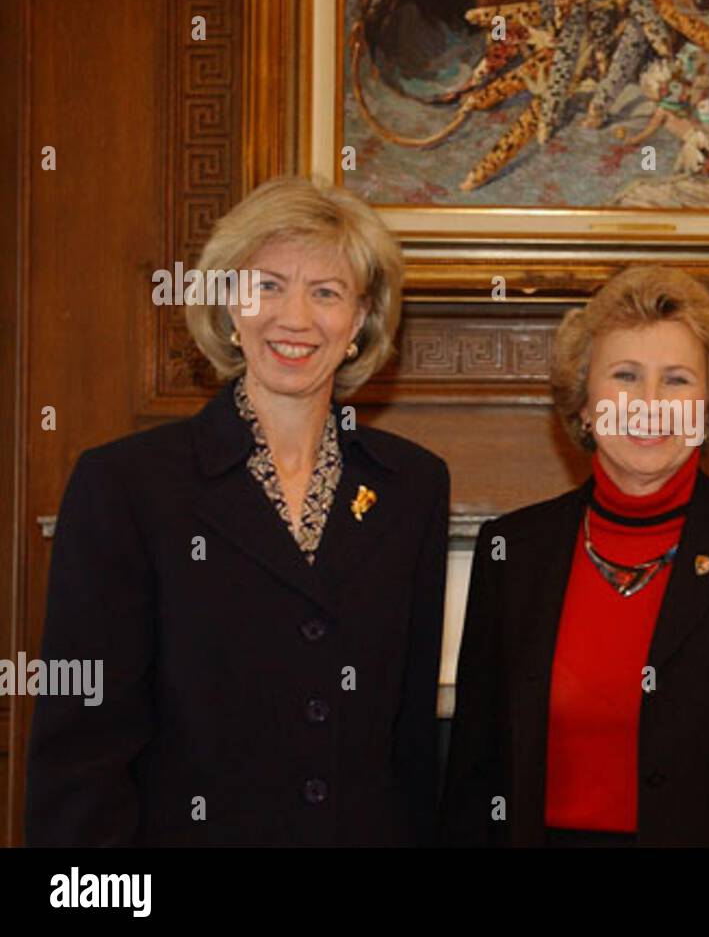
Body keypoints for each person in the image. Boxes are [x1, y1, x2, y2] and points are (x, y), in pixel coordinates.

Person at [26, 176, 449, 846]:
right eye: (268, 285)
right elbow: (81, 752)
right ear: (228, 302)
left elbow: (410, 744)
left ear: (361, 319)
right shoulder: (126, 485)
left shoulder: (413, 487)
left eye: (327, 292)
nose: (295, 318)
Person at [439, 266, 709, 847]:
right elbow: (475, 774)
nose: (649, 403)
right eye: (624, 375)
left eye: (676, 380)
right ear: (586, 403)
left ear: (706, 406)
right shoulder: (512, 553)